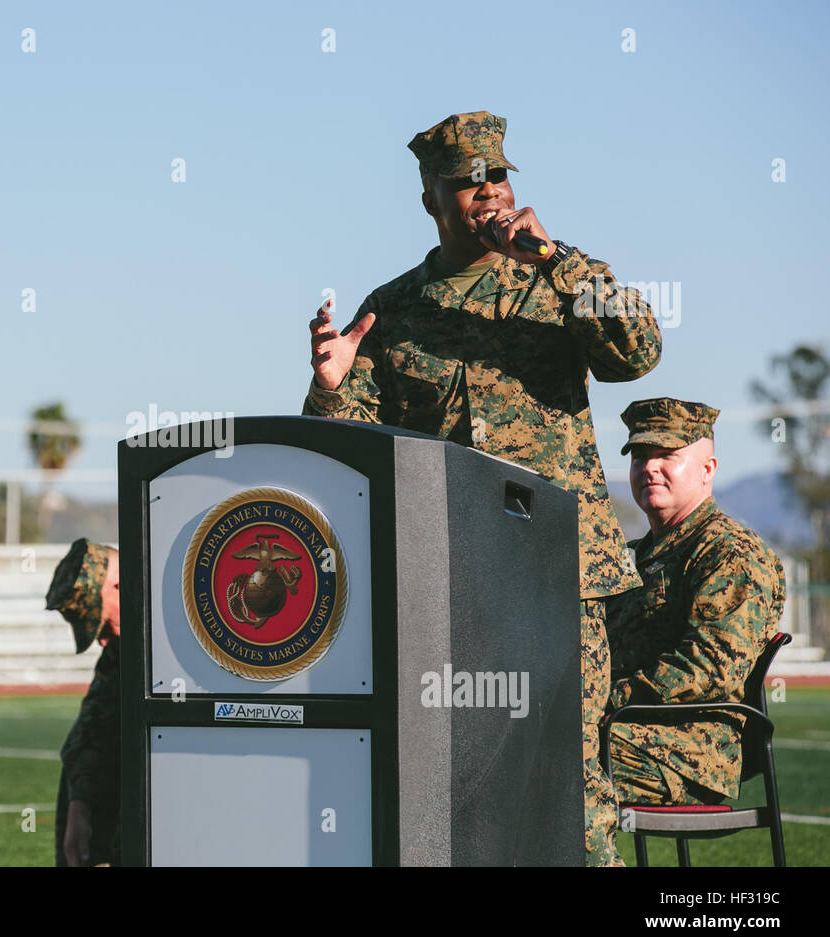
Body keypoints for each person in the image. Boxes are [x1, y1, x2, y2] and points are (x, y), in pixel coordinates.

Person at [302, 111, 662, 865]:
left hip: (562, 576)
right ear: (431, 199)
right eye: (466, 182)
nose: (487, 192)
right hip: (454, 586)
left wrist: (556, 259)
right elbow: (348, 448)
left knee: (574, 782)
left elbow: (637, 353)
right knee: (457, 784)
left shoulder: (559, 275)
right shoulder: (394, 309)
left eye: (496, 176)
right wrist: (330, 386)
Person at [604, 399, 785, 806]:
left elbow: (710, 667)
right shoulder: (631, 556)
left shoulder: (730, 553)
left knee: (558, 759)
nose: (649, 467)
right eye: (639, 456)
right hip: (625, 729)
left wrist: (607, 699)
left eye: (666, 455)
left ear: (708, 470)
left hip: (689, 751)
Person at [46, 538, 121, 867]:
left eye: (102, 622)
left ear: (119, 584)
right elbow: (95, 722)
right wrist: (80, 805)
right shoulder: (123, 647)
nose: (102, 640)